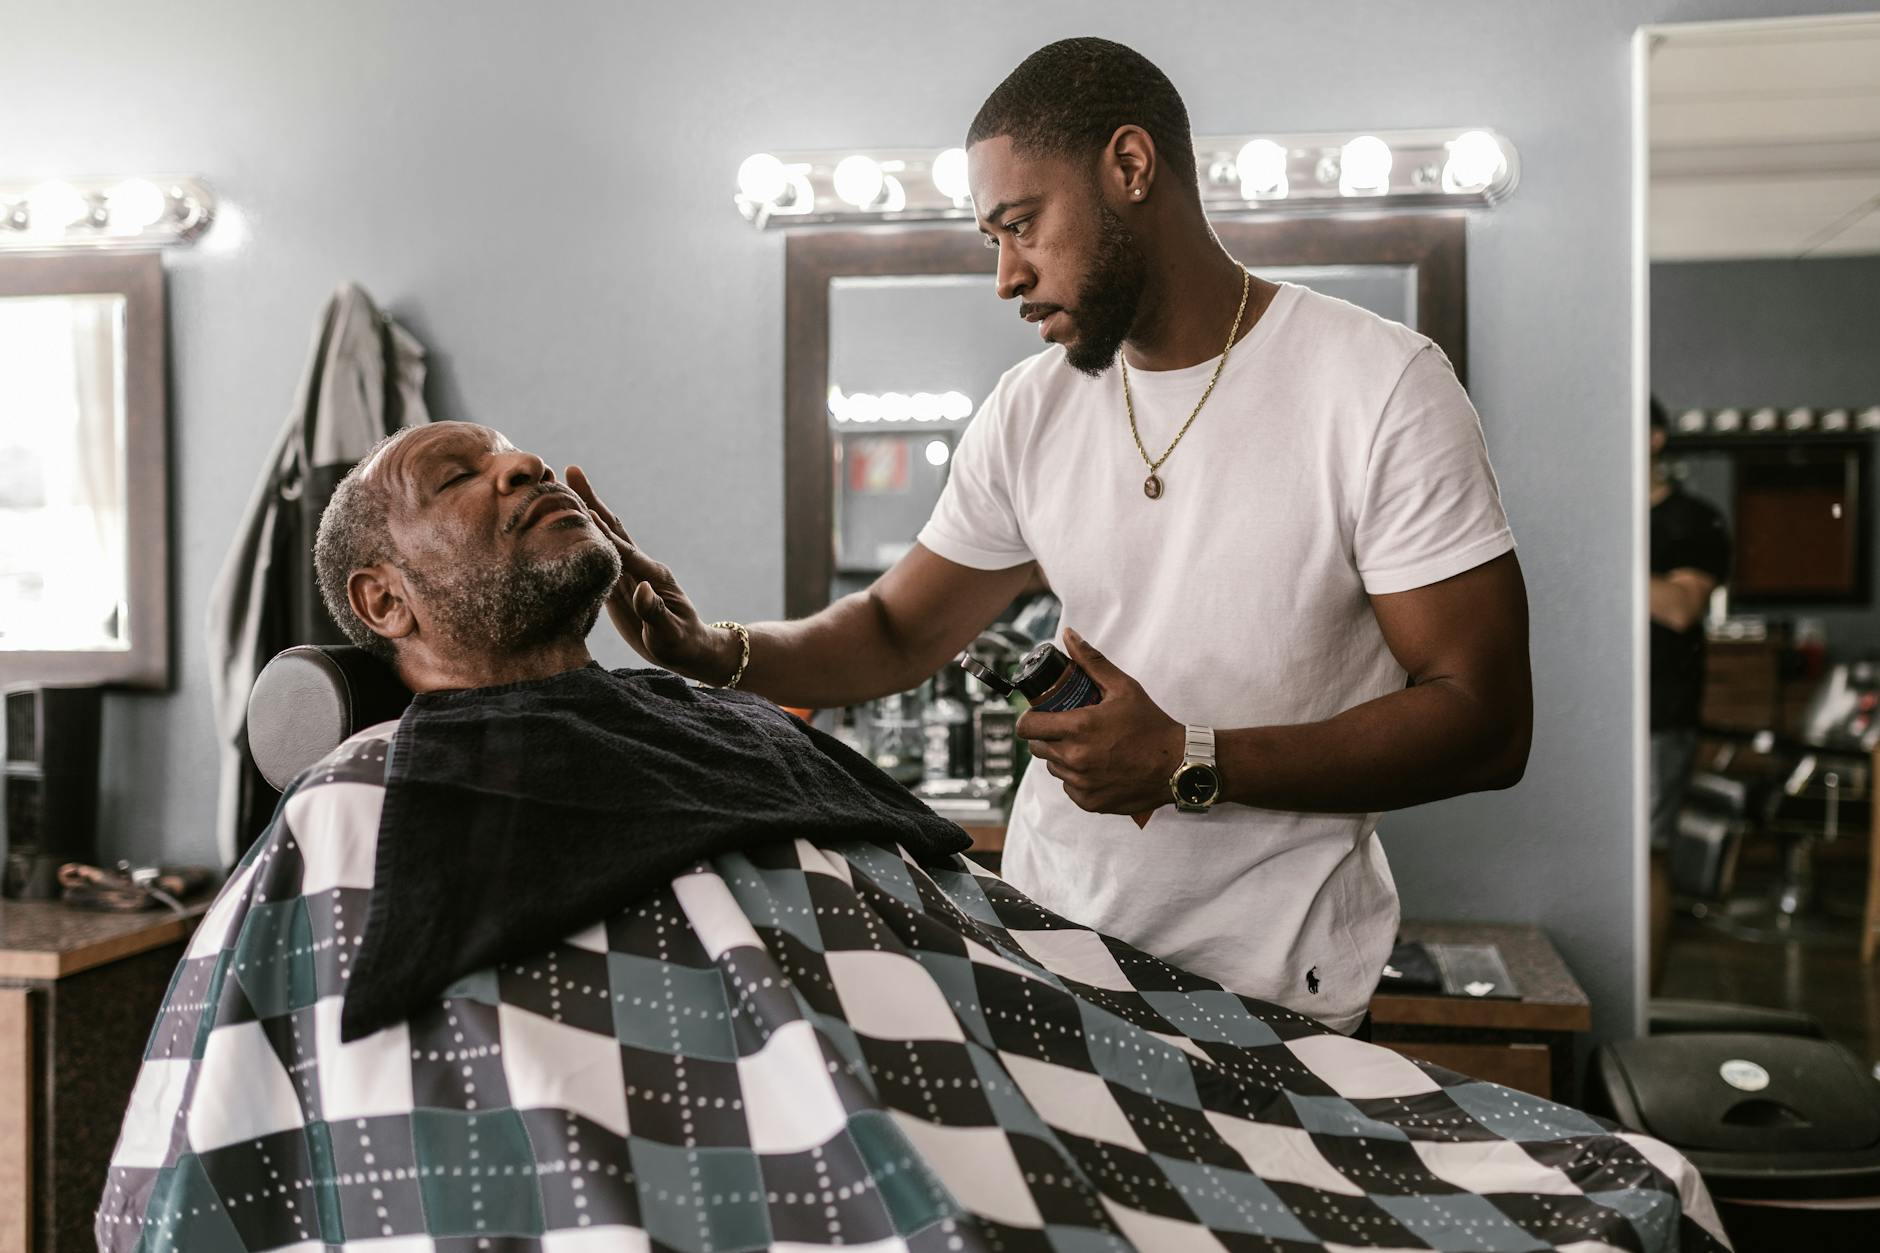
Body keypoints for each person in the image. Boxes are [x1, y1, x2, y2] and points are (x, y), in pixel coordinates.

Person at [98, 420, 1723, 1252]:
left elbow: (962, 961)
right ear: (382, 600)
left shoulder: (721, 726)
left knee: (1604, 1179)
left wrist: (714, 657)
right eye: (462, 474)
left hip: (1008, 1135)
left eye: (517, 448)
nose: (518, 461)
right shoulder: (366, 812)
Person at [578, 37, 1531, 1036]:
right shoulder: (1028, 410)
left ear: (1129, 166)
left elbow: (1485, 718)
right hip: (1047, 954)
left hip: (1279, 990)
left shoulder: (1377, 386)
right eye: (991, 238)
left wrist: (1186, 759)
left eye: (1020, 224)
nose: (1004, 276)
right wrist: (711, 649)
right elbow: (896, 629)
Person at [1646, 396, 1730, 984]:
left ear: (1655, 438)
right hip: (1588, 714)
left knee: (1646, 851)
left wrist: (1605, 552)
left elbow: (1680, 607)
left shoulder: (1694, 519)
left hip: (1661, 712)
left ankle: (1644, 1000)